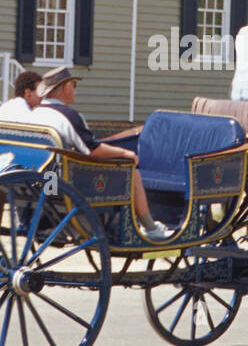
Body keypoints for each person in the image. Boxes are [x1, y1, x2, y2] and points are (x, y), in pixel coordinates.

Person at [27, 67, 174, 240]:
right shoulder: (68, 116)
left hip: (43, 180)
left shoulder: (34, 114)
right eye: (74, 85)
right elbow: (92, 150)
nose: (74, 89)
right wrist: (126, 153)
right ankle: (150, 228)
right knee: (132, 174)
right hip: (65, 182)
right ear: (66, 87)